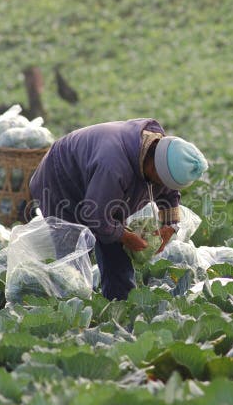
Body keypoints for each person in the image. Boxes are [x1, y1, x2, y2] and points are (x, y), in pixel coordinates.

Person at [29, 118, 208, 300]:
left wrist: (170, 226)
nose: (163, 186)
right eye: (162, 181)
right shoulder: (113, 166)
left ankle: (119, 303)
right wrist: (126, 236)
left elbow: (169, 194)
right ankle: (68, 307)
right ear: (154, 167)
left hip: (100, 186)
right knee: (73, 254)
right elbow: (96, 216)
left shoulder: (164, 155)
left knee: (115, 248)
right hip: (60, 180)